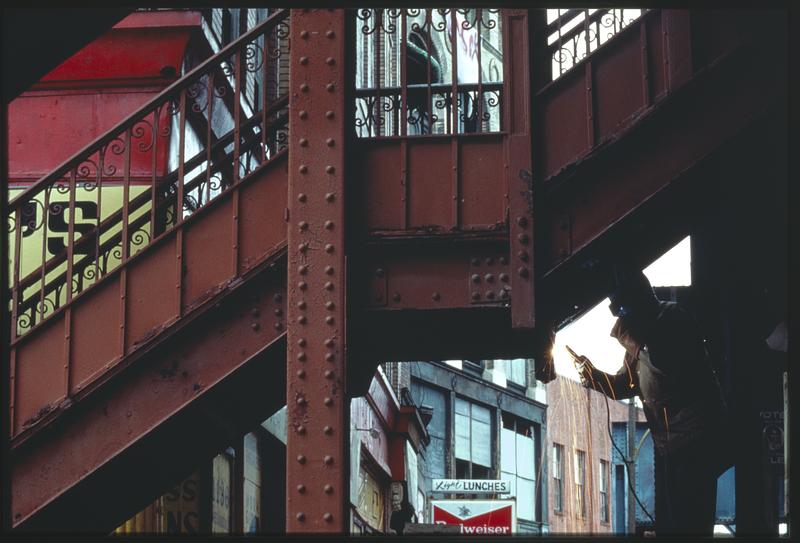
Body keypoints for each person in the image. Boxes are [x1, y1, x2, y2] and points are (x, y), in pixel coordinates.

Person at [572, 267, 730, 535]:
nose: (621, 320)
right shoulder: (642, 339)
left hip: (697, 441)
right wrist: (595, 377)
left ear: (638, 302)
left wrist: (631, 337)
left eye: (622, 311)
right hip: (673, 445)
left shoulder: (671, 320)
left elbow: (665, 365)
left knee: (690, 526)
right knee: (679, 525)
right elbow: (626, 384)